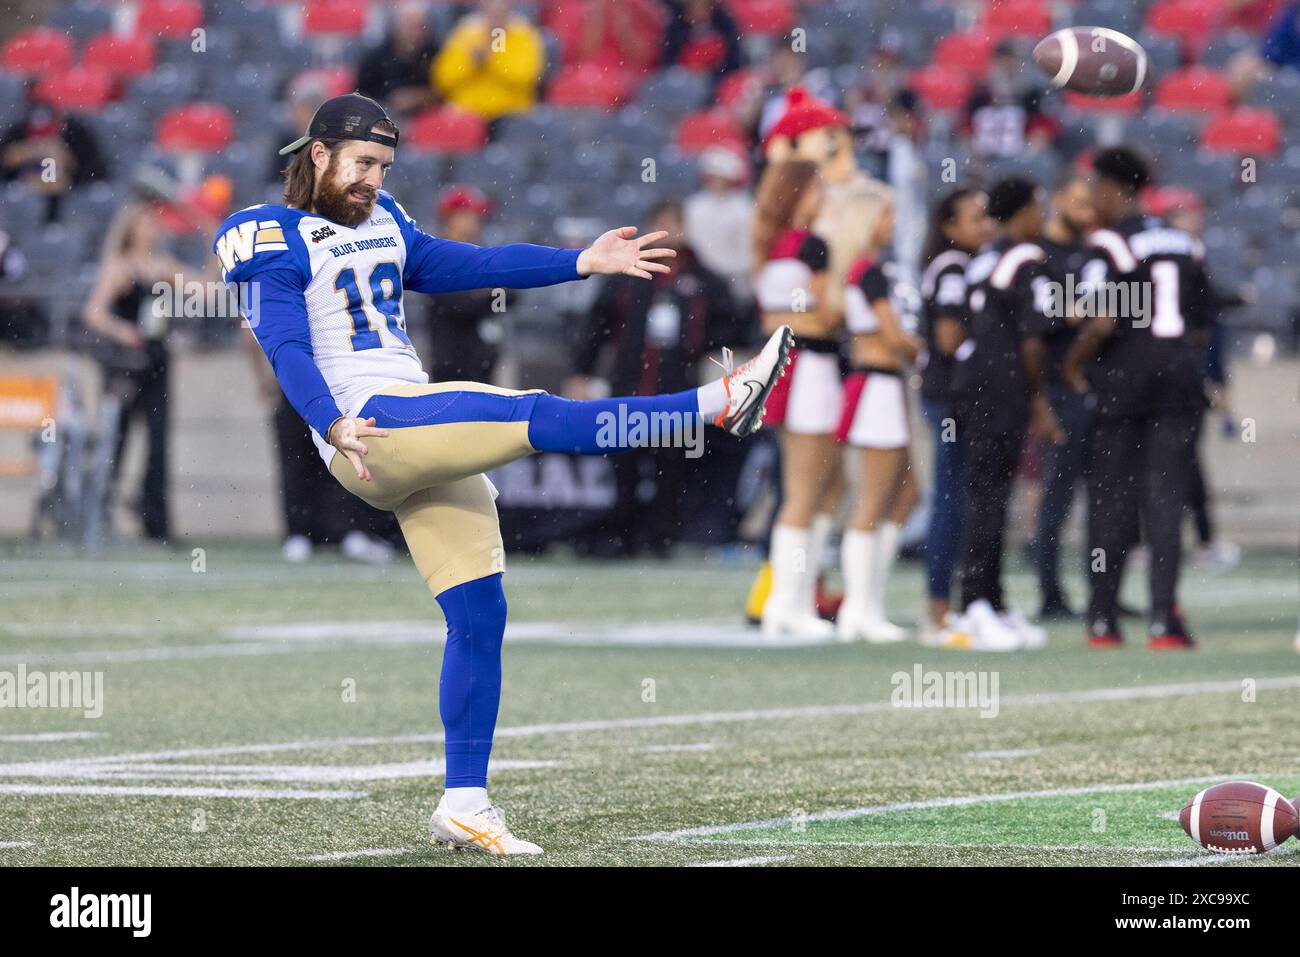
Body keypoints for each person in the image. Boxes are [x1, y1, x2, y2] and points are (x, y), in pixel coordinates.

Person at [214, 93, 793, 855]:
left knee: (480, 612)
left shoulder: (384, 217)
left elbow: (469, 265)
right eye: (360, 163)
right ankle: (713, 405)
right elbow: (286, 344)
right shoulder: (265, 233)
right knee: (532, 413)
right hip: (368, 423)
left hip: (405, 426)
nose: (371, 179)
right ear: (316, 154)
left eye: (383, 166)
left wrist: (581, 262)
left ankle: (463, 800)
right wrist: (329, 419)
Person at [1063, 148, 1214, 650]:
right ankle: (1162, 621)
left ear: (1113, 189)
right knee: (1166, 502)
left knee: (1111, 500)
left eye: (1095, 191)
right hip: (1177, 379)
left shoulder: (1108, 243)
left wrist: (1072, 364)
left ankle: (1103, 618)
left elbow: (1099, 318)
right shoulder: (1183, 241)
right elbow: (1199, 323)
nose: (1091, 202)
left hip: (1124, 381)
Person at [567, 199, 738, 556]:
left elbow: (730, 324)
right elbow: (597, 324)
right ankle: (624, 536)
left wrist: (711, 357)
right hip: (629, 383)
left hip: (678, 387)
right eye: (660, 224)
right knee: (624, 464)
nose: (669, 232)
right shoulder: (627, 273)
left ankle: (662, 538)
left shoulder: (701, 277)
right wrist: (582, 370)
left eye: (673, 224)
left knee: (672, 465)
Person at [951, 177, 1064, 651]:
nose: (1042, 216)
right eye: (1037, 206)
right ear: (1021, 211)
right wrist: (1038, 399)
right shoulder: (1027, 258)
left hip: (974, 378)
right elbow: (1033, 339)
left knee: (986, 492)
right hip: (1000, 385)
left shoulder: (986, 258)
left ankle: (989, 600)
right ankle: (975, 603)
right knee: (991, 496)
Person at [751, 160, 842, 640]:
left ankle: (795, 598)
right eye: (818, 187)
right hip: (813, 367)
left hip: (784, 367)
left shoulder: (768, 242)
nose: (824, 194)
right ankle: (787, 604)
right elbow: (829, 316)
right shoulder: (812, 246)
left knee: (815, 489)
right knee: (805, 493)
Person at [836, 188, 923, 642]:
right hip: (876, 384)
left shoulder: (874, 270)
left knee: (906, 494)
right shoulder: (868, 272)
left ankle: (870, 600)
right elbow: (894, 335)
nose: (892, 222)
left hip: (886, 386)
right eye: (886, 214)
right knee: (872, 499)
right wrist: (933, 355)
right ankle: (859, 608)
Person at [82, 202, 196, 543]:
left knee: (159, 444)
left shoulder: (162, 267)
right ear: (131, 229)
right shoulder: (121, 268)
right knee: (115, 439)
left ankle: (156, 521)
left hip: (157, 361)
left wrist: (208, 235)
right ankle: (97, 514)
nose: (152, 229)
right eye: (145, 223)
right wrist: (123, 332)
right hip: (125, 365)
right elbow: (95, 312)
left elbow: (202, 287)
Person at [917, 188, 993, 647]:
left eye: (988, 217)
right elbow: (948, 338)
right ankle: (939, 607)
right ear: (948, 226)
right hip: (951, 396)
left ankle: (954, 603)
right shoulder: (953, 267)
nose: (985, 226)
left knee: (960, 500)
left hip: (956, 395)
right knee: (952, 502)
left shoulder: (965, 265)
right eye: (975, 218)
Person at [1031, 172, 1096, 619]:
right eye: (1077, 201)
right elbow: (1038, 320)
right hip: (1058, 387)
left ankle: (1102, 593)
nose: (1086, 211)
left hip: (1096, 388)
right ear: (1058, 200)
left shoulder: (1093, 251)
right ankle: (1050, 593)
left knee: (1106, 495)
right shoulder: (1039, 256)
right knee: (1056, 494)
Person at [418, 185, 507, 383]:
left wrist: (489, 295)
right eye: (469, 215)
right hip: (452, 366)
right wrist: (490, 292)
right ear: (451, 218)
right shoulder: (437, 257)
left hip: (484, 362)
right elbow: (461, 304)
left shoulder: (480, 255)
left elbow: (503, 302)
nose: (476, 222)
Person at [431, 0, 545, 122]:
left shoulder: (523, 34)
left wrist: (490, 61)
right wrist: (471, 63)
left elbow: (526, 77)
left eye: (501, 5)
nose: (496, 10)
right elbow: (443, 79)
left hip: (511, 113)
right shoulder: (466, 33)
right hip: (467, 113)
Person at [683, 146, 753, 302]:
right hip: (700, 282)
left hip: (735, 283)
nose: (714, 181)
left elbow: (748, 251)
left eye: (719, 176)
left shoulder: (744, 208)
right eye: (711, 176)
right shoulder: (694, 206)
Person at [356, 1, 440, 116]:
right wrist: (387, 102)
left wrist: (419, 97)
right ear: (395, 27)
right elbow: (360, 93)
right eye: (409, 26)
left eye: (420, 27)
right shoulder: (376, 56)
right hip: (382, 116)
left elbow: (446, 90)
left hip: (427, 116)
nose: (415, 33)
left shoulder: (435, 55)